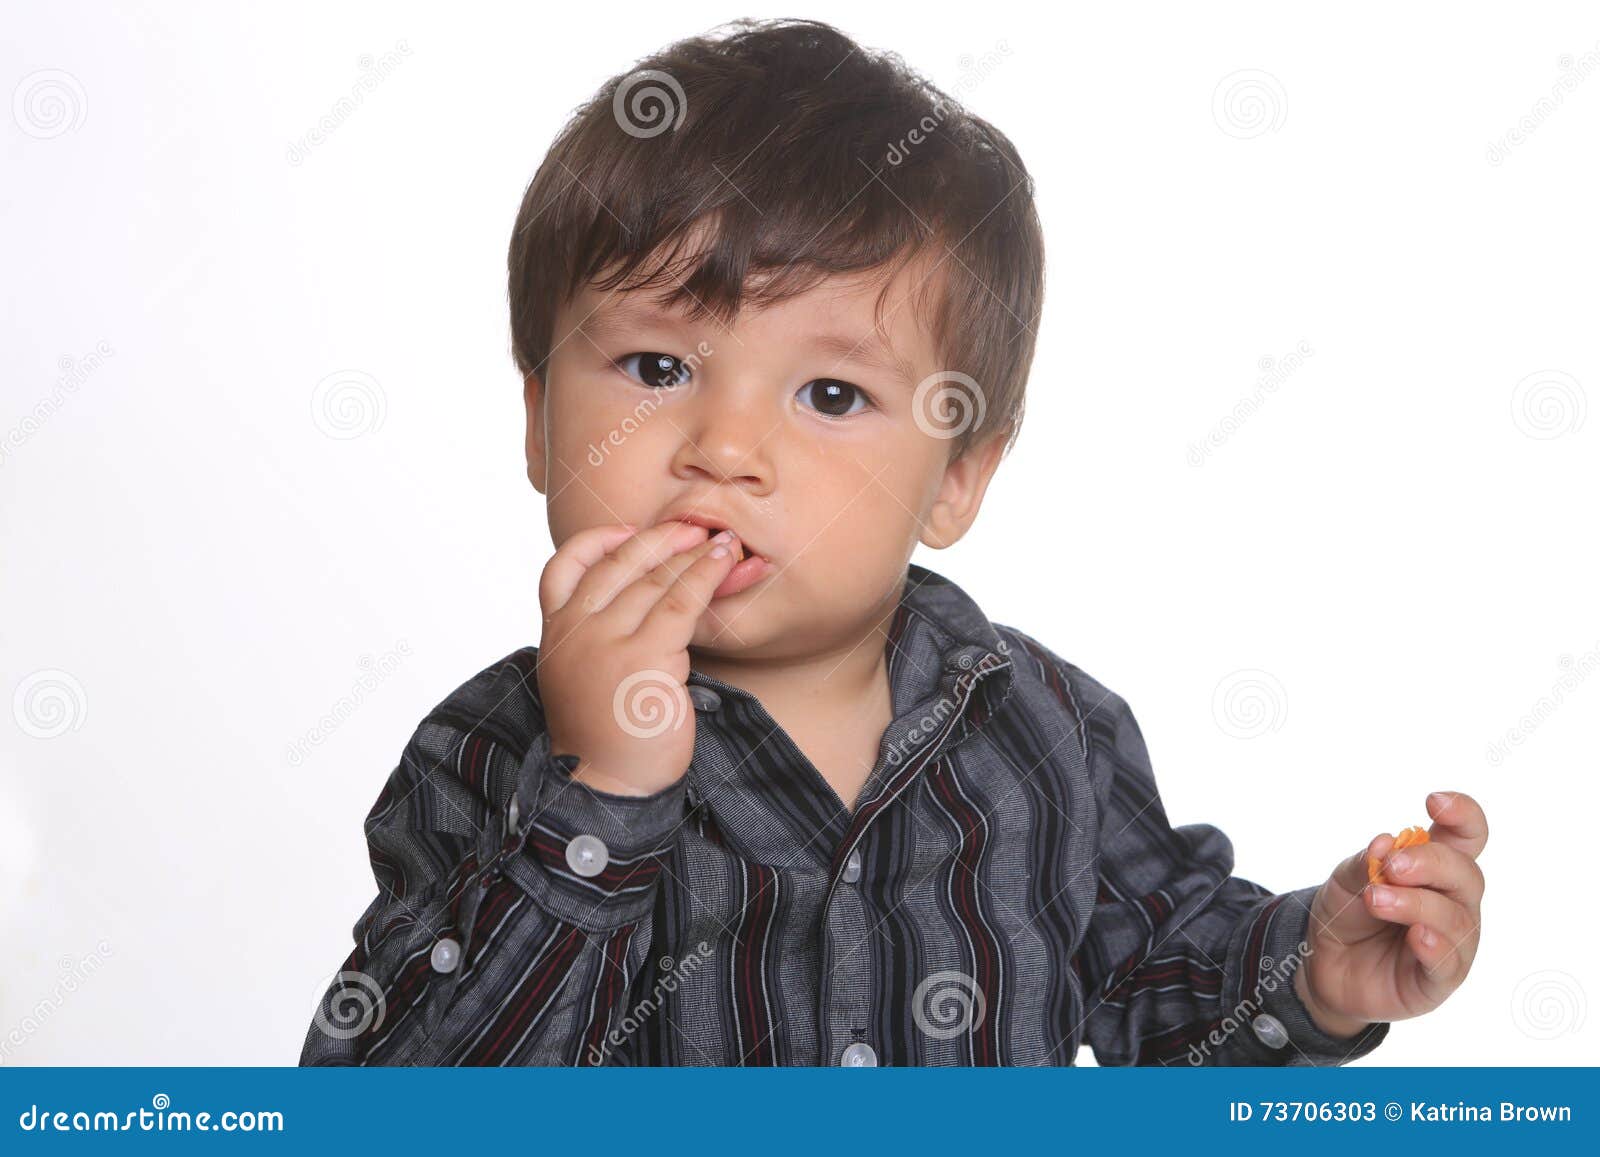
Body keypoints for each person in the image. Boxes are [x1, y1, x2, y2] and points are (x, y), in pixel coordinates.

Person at [300, 18, 1486, 1067]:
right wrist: (601, 796)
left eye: (830, 394)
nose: (725, 447)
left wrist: (1314, 974)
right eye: (657, 367)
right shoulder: (492, 753)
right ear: (539, 421)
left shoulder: (1048, 728)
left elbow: (1157, 988)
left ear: (956, 478)